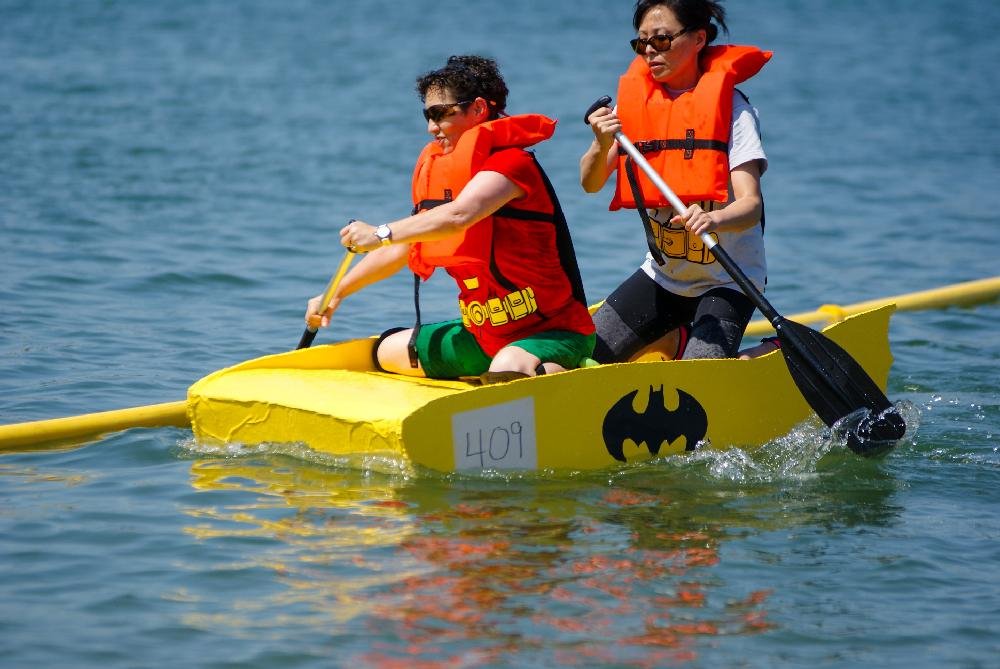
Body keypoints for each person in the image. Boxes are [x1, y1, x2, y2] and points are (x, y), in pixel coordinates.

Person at [306, 55, 595, 383]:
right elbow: (406, 246)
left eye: (440, 114)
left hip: (553, 332)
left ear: (479, 109)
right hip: (482, 336)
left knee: (508, 365)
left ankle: (564, 372)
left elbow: (459, 215)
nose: (431, 127)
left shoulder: (512, 165)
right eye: (427, 115)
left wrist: (380, 232)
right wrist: (337, 292)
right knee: (384, 352)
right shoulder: (446, 179)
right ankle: (481, 376)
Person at [580, 0, 771, 362]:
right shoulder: (633, 108)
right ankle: (674, 339)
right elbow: (590, 183)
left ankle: (769, 351)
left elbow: (750, 206)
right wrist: (600, 141)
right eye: (641, 43)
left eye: (662, 40)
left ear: (699, 39)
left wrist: (713, 219)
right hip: (664, 276)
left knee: (701, 369)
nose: (650, 51)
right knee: (587, 357)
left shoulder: (732, 110)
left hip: (729, 279)